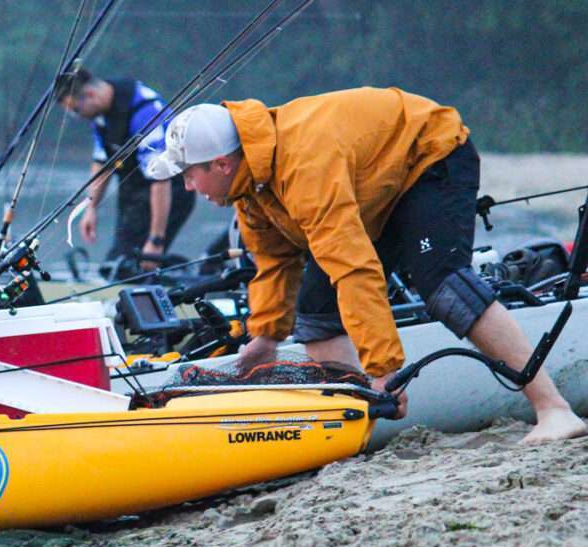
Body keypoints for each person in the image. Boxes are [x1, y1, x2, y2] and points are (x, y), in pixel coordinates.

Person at [145, 87, 586, 445]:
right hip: (372, 185)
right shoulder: (250, 185)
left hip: (428, 155)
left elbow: (354, 268)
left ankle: (553, 409)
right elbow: (275, 262)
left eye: (188, 174)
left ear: (221, 163)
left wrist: (383, 368)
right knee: (316, 309)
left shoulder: (303, 165)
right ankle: (353, 428)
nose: (186, 185)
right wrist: (265, 338)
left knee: (442, 284)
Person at [54, 68, 196, 274]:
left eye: (75, 110)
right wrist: (91, 207)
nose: (78, 116)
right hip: (133, 185)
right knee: (119, 261)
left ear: (90, 95)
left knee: (140, 261)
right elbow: (102, 162)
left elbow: (160, 178)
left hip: (170, 188)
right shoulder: (100, 113)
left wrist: (156, 240)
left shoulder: (145, 112)